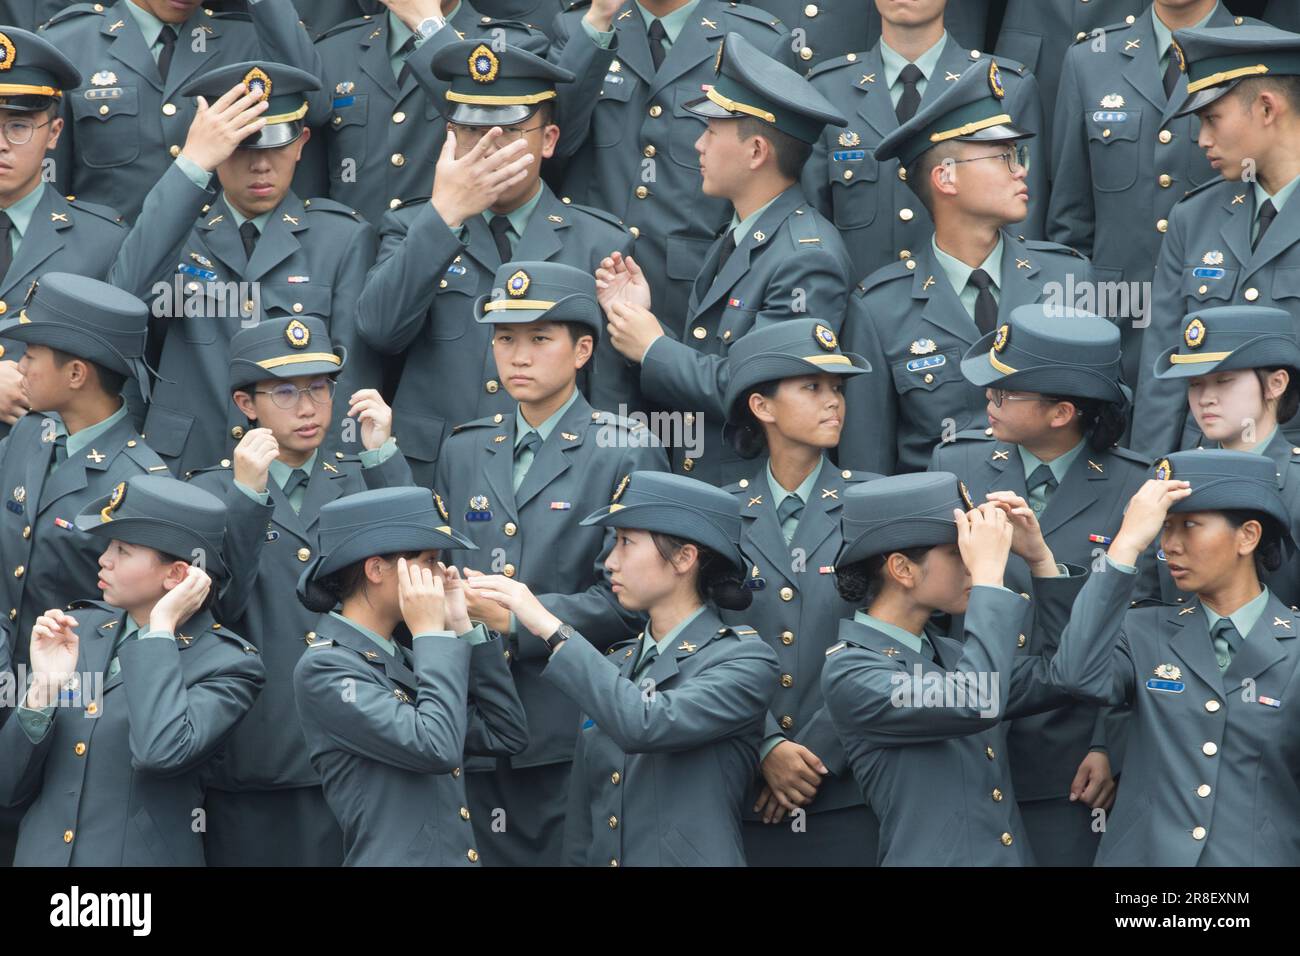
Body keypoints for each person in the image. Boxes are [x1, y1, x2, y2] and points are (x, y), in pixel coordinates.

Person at [434, 261, 667, 866]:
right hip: (475, 723)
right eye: (505, 339)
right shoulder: (462, 448)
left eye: (540, 339)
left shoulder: (624, 446)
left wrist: (521, 618)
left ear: (583, 349)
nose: (518, 356)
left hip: (573, 723)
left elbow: (643, 602)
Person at [186, 316, 415, 867]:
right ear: (247, 403)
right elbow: (220, 609)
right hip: (260, 751)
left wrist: (385, 458)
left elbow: (418, 580)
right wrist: (245, 496)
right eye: (285, 392)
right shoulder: (210, 493)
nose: (308, 408)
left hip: (363, 739)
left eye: (319, 388)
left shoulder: (363, 476)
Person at [465, 470, 781, 866]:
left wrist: (545, 622)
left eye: (627, 542)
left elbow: (645, 722)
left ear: (684, 557)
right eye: (614, 542)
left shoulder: (745, 661)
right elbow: (584, 821)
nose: (611, 562)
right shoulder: (616, 662)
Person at [356, 42, 636, 486]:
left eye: (509, 131)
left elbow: (606, 388)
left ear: (548, 140)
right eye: (471, 130)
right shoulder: (414, 224)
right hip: (430, 473)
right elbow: (380, 329)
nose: (489, 146)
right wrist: (444, 216)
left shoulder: (599, 240)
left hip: (551, 478)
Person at [931, 304, 1150, 866]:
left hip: (1074, 751)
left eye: (1004, 394)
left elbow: (1144, 627)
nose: (988, 402)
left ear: (1061, 412)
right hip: (971, 739)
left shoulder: (1136, 485)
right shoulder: (959, 466)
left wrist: (1109, 742)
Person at [595, 31, 853, 485]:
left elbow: (761, 391)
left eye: (712, 132)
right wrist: (638, 317)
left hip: (752, 498)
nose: (698, 145)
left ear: (756, 152)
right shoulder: (741, 234)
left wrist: (654, 347)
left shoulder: (805, 258)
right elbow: (713, 354)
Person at [109, 60, 378, 475]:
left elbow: (349, 377)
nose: (261, 165)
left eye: (274, 146)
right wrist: (191, 167)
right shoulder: (176, 231)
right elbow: (123, 301)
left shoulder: (340, 239)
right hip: (185, 468)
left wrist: (328, 478)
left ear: (302, 141)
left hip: (294, 473)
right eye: (243, 147)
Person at [820, 473, 1097, 865]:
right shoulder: (853, 672)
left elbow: (1068, 672)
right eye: (958, 552)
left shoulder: (951, 655)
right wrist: (988, 578)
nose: (971, 563)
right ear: (902, 568)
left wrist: (1040, 560)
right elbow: (974, 700)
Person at [837, 59, 1092, 475]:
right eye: (1003, 157)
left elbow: (1097, 432)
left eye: (1019, 155)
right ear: (946, 178)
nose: (1021, 169)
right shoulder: (879, 309)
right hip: (940, 528)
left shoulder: (1067, 279)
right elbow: (869, 469)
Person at [0, 474, 265, 865]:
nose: (104, 558)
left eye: (123, 550)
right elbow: (8, 787)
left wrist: (159, 631)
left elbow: (159, 752)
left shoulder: (228, 664)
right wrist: (42, 692)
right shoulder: (79, 630)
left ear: (176, 575)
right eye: (109, 545)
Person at [1053, 451, 1300, 865]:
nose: (1170, 545)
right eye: (1164, 528)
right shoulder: (1144, 630)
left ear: (1248, 536)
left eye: (1190, 525)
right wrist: (1126, 545)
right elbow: (1075, 674)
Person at [292, 487, 528, 866]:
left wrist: (463, 628)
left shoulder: (403, 657)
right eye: (429, 560)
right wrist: (432, 634)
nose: (441, 574)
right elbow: (435, 745)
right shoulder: (328, 669)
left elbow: (506, 732)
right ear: (376, 569)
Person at [718, 319, 880, 865]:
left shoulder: (875, 505)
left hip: (852, 785)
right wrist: (765, 744)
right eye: (812, 387)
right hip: (740, 786)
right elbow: (702, 639)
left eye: (837, 388)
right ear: (762, 407)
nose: (833, 402)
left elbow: (895, 636)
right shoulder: (717, 513)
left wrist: (812, 756)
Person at [1049, 1, 1257, 388]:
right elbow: (1070, 223)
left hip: (1219, 316)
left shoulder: (1260, 56)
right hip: (1114, 319)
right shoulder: (1090, 59)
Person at [550, 0, 789, 333]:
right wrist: (599, 20)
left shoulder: (756, 39)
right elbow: (554, 143)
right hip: (590, 277)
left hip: (688, 288)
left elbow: (772, 182)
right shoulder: (581, 25)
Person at [1132, 24, 1300, 454]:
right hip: (1203, 471)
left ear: (1266, 108)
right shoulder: (1193, 217)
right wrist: (1152, 480)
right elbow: (1163, 372)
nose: (1203, 139)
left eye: (1212, 119)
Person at [306, 0, 610, 226]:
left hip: (461, 263)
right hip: (356, 270)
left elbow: (561, 141)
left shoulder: (511, 44)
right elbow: (313, 189)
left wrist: (429, 26)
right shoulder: (334, 49)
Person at [804, 0, 1047, 282]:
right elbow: (814, 229)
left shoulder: (1006, 87)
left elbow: (1023, 228)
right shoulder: (828, 90)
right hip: (857, 309)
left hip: (966, 313)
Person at [0, 273, 165, 673]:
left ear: (76, 374)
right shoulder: (29, 433)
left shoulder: (141, 484)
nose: (18, 366)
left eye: (31, 355)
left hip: (65, 694)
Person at [41, 0, 326, 222]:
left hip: (210, 270)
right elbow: (49, 183)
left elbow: (317, 107)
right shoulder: (70, 44)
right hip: (108, 264)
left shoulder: (243, 40)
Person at [0, 26, 129, 437]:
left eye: (18, 126)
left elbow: (122, 382)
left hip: (51, 478)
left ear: (53, 134)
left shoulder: (102, 241)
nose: (1, 144)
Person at [1139, 305, 1300, 607]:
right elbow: (1143, 599)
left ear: (1276, 384)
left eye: (1224, 381)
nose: (1205, 398)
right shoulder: (1170, 478)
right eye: (1194, 384)